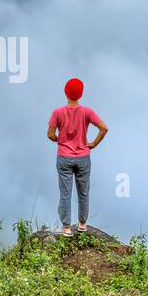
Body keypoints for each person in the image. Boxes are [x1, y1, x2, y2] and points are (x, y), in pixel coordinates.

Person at [47, 77, 107, 236]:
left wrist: (60, 140)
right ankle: (82, 224)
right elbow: (104, 128)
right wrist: (92, 144)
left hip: (64, 157)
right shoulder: (87, 112)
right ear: (80, 94)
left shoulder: (57, 112)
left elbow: (50, 134)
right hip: (83, 157)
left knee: (65, 193)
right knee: (84, 192)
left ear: (65, 92)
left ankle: (66, 228)